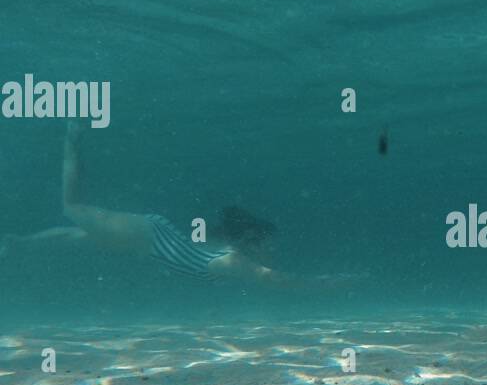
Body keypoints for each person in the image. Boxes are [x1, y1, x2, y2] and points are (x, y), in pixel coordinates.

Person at [1, 121, 352, 288]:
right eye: (269, 242)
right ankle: (72, 136)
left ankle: (20, 243)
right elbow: (276, 279)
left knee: (81, 235)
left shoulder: (230, 250)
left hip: (149, 239)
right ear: (254, 240)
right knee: (72, 206)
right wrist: (330, 281)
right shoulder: (233, 260)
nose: (275, 248)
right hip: (147, 236)